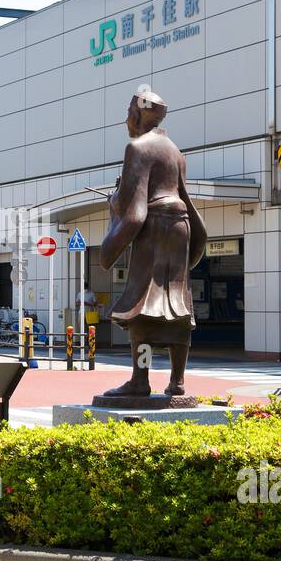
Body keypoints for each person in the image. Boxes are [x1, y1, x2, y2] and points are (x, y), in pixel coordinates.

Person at [99, 86, 206, 399]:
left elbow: (134, 211)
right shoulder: (175, 151)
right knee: (177, 302)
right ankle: (178, 382)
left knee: (143, 303)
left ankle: (140, 380)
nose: (126, 119)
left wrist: (114, 213)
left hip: (154, 228)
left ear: (137, 113)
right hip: (182, 227)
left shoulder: (138, 148)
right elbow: (180, 194)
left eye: (128, 112)